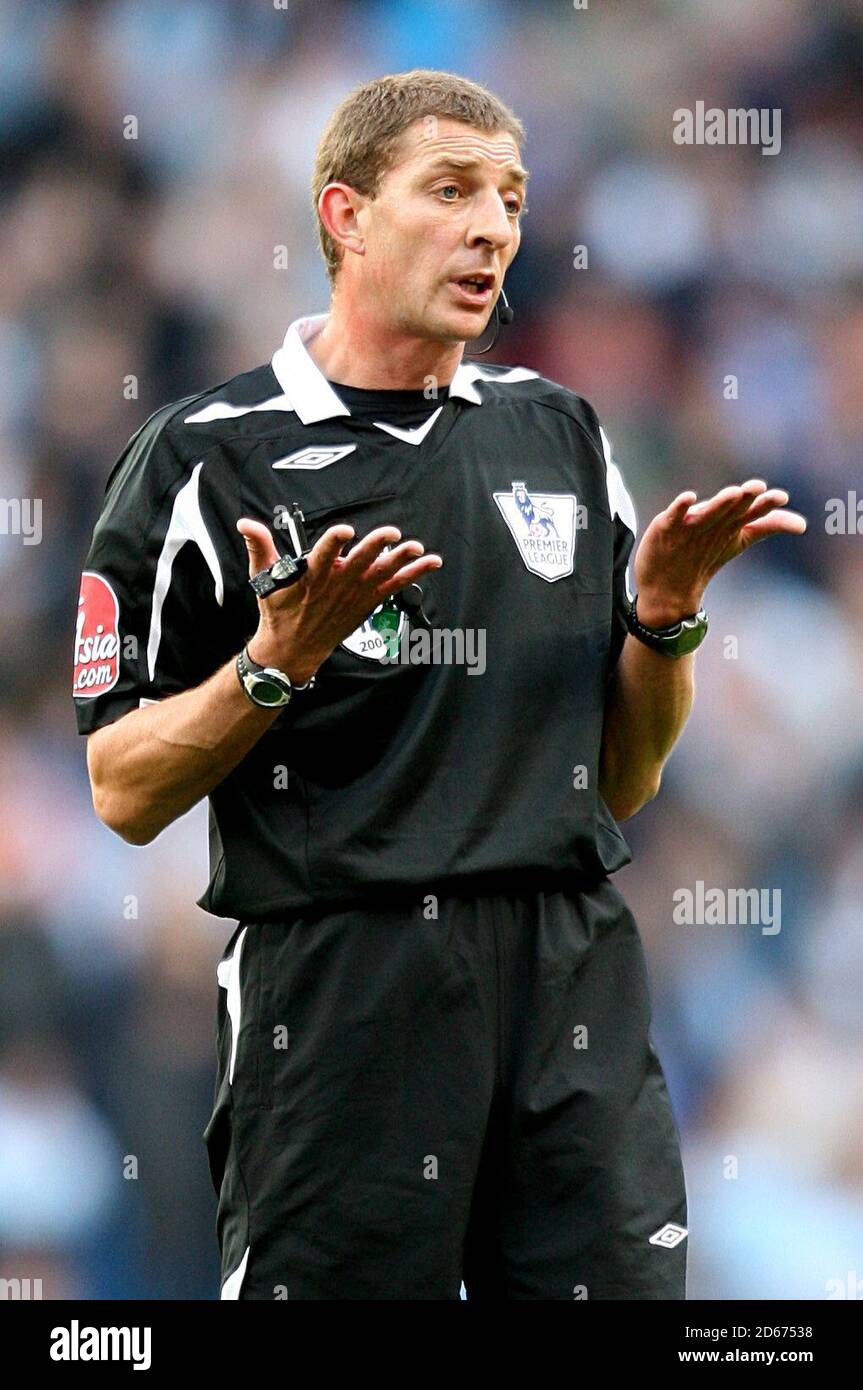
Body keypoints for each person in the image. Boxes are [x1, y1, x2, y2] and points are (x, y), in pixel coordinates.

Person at [73, 69, 805, 1300]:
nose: (492, 228)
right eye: (452, 190)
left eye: (510, 199)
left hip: (565, 972)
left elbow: (618, 775)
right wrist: (271, 667)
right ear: (345, 214)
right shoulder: (208, 459)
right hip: (341, 985)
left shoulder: (561, 436)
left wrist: (664, 623)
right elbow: (120, 789)